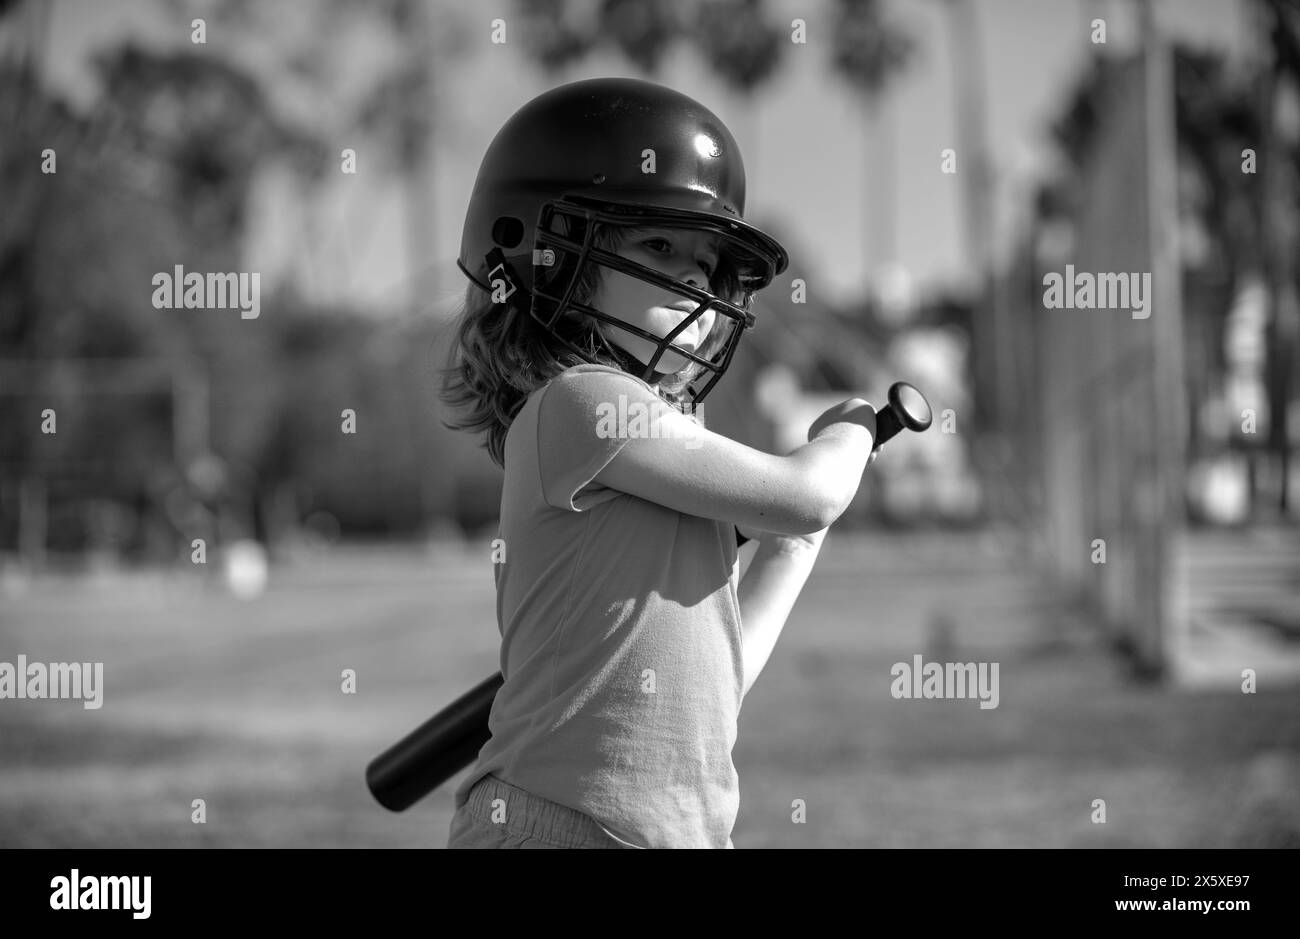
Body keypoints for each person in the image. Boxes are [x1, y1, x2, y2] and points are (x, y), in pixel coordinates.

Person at [438, 77, 879, 849]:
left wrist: (794, 545)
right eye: (660, 246)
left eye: (707, 263)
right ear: (553, 257)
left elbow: (715, 683)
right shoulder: (582, 405)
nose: (694, 282)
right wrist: (852, 428)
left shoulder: (661, 438)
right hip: (558, 826)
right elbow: (810, 492)